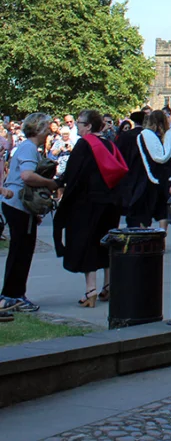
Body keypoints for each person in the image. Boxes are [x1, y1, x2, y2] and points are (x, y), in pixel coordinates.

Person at [54, 110, 127, 308]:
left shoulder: (84, 145)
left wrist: (58, 185)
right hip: (110, 203)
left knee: (87, 243)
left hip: (87, 204)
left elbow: (73, 175)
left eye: (80, 123)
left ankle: (91, 291)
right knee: (106, 242)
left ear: (88, 126)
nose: (77, 126)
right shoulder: (110, 145)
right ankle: (108, 286)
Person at [1, 113, 60, 313]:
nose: (49, 133)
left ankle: (13, 294)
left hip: (19, 205)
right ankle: (12, 295)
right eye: (47, 128)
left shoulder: (29, 147)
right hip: (18, 204)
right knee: (21, 251)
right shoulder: (28, 148)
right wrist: (50, 183)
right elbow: (27, 176)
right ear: (40, 128)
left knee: (21, 250)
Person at [127, 109, 171, 229]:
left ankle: (145, 239)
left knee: (144, 210)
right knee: (162, 210)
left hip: (147, 178)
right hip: (167, 179)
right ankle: (162, 238)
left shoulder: (143, 137)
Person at [114, 111, 147, 226]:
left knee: (129, 200)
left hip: (127, 171)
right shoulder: (147, 136)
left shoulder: (125, 136)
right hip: (144, 172)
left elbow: (117, 154)